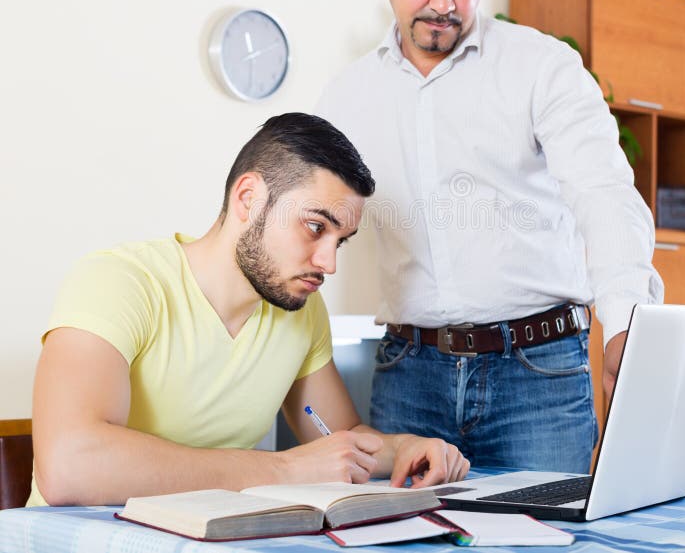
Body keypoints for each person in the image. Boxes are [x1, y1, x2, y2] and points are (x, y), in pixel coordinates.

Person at [316, 0, 663, 473]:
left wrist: (626, 321)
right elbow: (311, 218)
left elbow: (603, 193)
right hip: (408, 375)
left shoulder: (543, 68)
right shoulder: (347, 97)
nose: (446, 3)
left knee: (551, 537)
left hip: (539, 375)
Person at [29, 113, 469, 507]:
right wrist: (284, 470)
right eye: (315, 227)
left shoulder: (301, 310)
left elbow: (339, 439)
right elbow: (69, 465)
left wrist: (407, 448)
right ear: (248, 198)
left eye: (340, 240)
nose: (328, 263)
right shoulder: (119, 282)